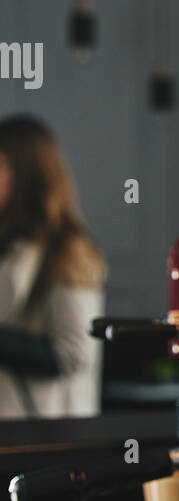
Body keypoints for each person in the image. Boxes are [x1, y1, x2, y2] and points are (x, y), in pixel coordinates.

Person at [0, 116, 106, 417]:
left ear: (27, 175)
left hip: (50, 434)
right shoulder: (10, 243)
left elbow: (72, 354)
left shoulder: (67, 249)